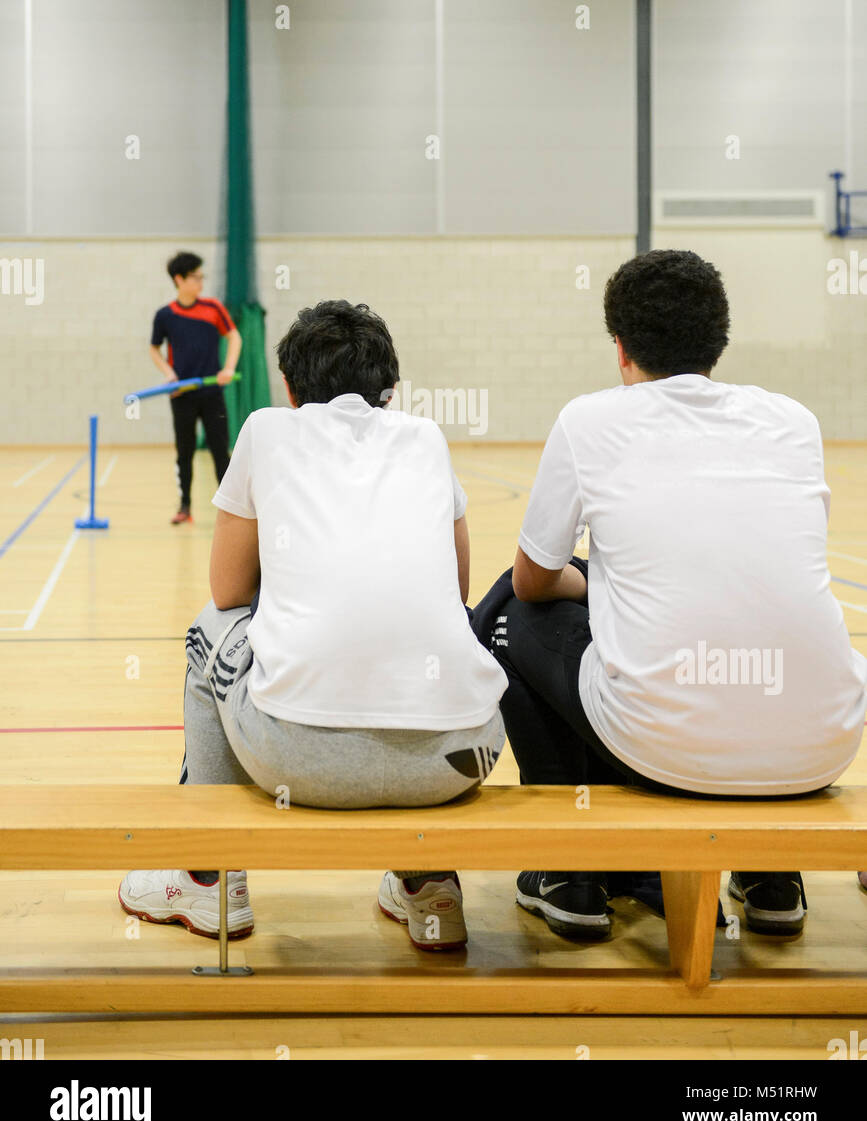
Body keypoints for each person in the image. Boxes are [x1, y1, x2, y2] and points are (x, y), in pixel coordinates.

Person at [473, 249, 867, 941]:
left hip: (667, 747)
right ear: (719, 340)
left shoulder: (589, 420)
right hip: (822, 744)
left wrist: (591, 580)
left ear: (619, 348)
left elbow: (536, 579)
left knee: (514, 613)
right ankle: (771, 876)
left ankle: (571, 867)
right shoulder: (793, 421)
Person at [119, 300, 507, 951]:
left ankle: (206, 877)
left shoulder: (267, 430)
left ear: (292, 389)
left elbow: (227, 590)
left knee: (207, 627)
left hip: (297, 756)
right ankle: (430, 884)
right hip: (458, 757)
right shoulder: (425, 438)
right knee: (422, 636)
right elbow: (456, 594)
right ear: (391, 390)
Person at [149, 252, 241, 524]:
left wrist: (228, 368)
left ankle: (231, 509)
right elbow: (154, 349)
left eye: (202, 276)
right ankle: (185, 507)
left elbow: (234, 336)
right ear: (179, 279)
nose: (201, 281)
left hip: (212, 394)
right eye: (195, 277)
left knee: (219, 450)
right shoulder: (165, 315)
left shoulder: (213, 308)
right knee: (184, 452)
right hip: (182, 396)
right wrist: (169, 373)